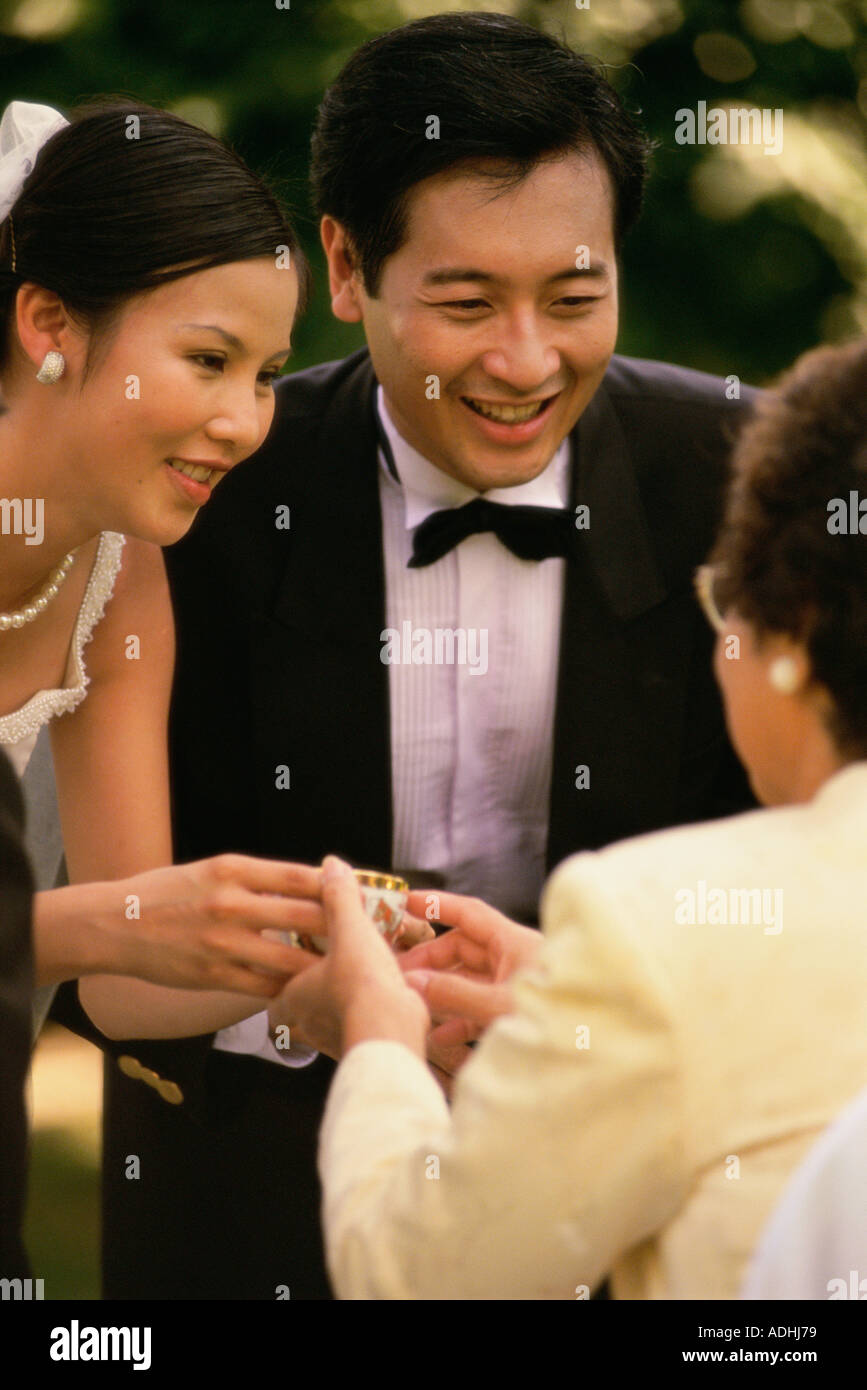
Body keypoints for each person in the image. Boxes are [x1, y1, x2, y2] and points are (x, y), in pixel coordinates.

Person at [101, 11, 756, 1300]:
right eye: (465, 303)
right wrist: (313, 1011)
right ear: (345, 268)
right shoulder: (202, 487)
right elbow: (108, 916)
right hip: (247, 1198)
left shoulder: (744, 480)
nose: (525, 361)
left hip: (635, 1203)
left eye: (576, 298)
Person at [271, 336, 867, 1300]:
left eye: (724, 607)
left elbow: (417, 1280)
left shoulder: (652, 922)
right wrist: (583, 1012)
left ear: (790, 631)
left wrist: (377, 1031)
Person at [0, 99, 326, 1044]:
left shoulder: (117, 578)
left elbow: (123, 984)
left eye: (265, 374)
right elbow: (112, 928)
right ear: (50, 322)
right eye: (209, 359)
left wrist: (337, 958)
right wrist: (126, 922)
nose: (245, 422)